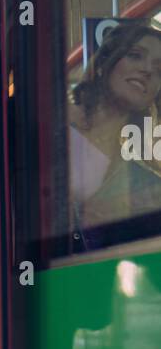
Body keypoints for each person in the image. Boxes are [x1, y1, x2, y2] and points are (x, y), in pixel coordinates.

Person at [69, 20, 161, 248]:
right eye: (135, 55)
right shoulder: (55, 134)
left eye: (160, 69)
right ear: (104, 63)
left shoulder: (146, 185)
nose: (148, 70)